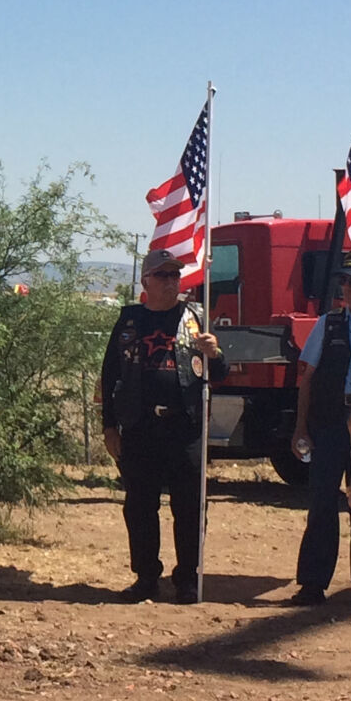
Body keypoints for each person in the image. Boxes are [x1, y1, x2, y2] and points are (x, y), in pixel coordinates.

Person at [101, 248, 225, 604]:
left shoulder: (195, 318)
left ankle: (187, 578)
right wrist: (110, 426)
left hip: (184, 427)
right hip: (140, 428)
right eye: (164, 276)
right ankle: (145, 577)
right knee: (139, 506)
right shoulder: (130, 320)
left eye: (176, 275)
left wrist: (215, 354)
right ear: (146, 282)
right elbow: (109, 375)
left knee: (189, 507)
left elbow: (219, 373)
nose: (173, 282)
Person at [291, 255, 351, 604]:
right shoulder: (328, 325)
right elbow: (307, 379)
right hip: (330, 422)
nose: (348, 289)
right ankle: (313, 584)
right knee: (322, 502)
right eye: (344, 282)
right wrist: (300, 427)